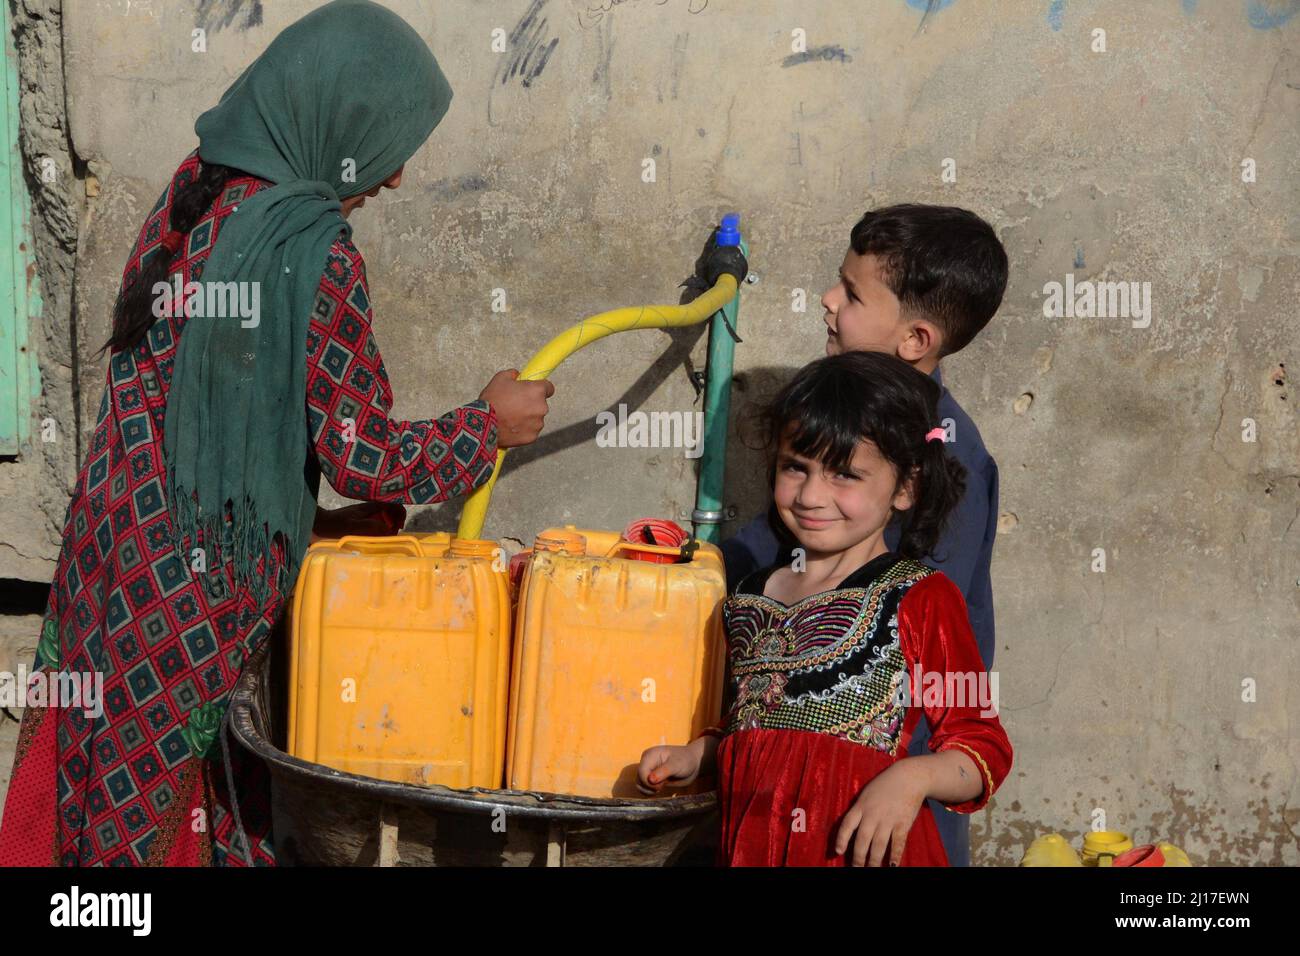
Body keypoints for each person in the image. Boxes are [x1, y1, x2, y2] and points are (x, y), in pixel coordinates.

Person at [0, 0, 552, 866]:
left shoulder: (193, 190)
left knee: (100, 772)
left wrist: (301, 522)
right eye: (387, 145)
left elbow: (193, 407)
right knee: (162, 812)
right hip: (193, 593)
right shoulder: (310, 248)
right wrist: (487, 425)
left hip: (108, 550)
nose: (395, 177)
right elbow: (361, 453)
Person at [638, 352, 1012, 866]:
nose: (812, 495)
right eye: (796, 467)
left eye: (844, 475)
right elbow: (760, 725)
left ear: (905, 487)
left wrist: (912, 776)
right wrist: (697, 755)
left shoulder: (921, 598)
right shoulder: (748, 598)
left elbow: (981, 748)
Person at [720, 204, 1008, 866]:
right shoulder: (843, 428)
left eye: (851, 294)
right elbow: (771, 550)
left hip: (889, 790)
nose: (827, 300)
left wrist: (911, 777)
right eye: (796, 469)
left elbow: (923, 643)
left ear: (915, 339)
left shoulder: (947, 456)